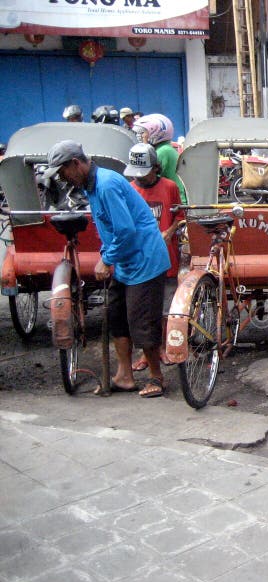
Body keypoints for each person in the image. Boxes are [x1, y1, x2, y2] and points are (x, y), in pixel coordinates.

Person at [43, 140, 171, 398]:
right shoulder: (91, 186)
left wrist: (107, 258)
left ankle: (156, 377)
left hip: (145, 260)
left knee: (142, 323)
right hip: (126, 260)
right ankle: (124, 375)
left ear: (75, 164)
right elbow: (109, 228)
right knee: (116, 318)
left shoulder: (106, 184)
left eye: (63, 171)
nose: (62, 178)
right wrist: (107, 254)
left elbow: (125, 229)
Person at [124, 143, 183, 372]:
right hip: (140, 261)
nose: (142, 177)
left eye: (146, 171)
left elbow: (179, 215)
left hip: (166, 258)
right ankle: (147, 353)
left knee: (165, 308)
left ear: (155, 168)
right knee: (143, 312)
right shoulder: (130, 189)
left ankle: (162, 348)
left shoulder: (169, 187)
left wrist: (169, 232)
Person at [132, 113, 187, 203]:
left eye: (144, 132)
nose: (141, 136)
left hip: (174, 201)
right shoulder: (166, 148)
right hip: (171, 198)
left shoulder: (162, 152)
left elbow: (149, 177)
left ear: (156, 132)